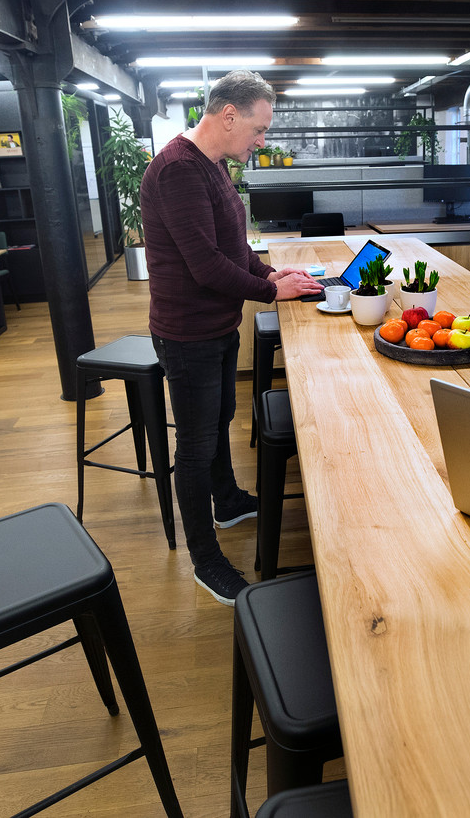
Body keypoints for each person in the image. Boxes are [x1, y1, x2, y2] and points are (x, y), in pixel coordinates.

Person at [140, 69, 322, 605]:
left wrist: (269, 273)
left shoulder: (214, 163)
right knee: (196, 446)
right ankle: (205, 558)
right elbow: (205, 266)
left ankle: (228, 500)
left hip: (216, 324)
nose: (262, 140)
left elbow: (232, 245)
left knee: (219, 419)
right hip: (187, 332)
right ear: (228, 116)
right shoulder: (178, 170)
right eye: (259, 128)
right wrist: (270, 292)